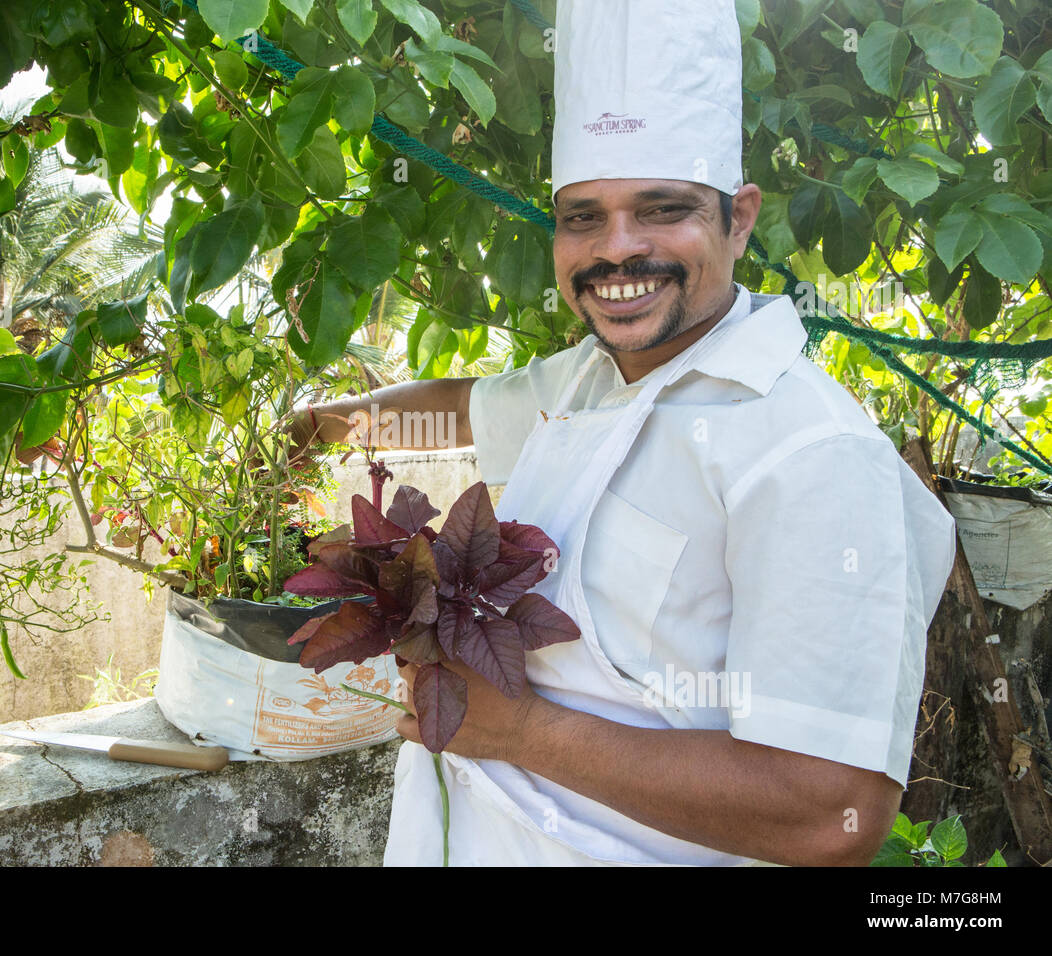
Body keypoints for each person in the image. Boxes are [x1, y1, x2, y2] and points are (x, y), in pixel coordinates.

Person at [287, 0, 957, 866]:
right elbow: (461, 402)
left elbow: (833, 815)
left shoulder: (810, 452)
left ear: (740, 218)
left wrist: (521, 731)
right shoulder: (590, 378)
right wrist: (327, 423)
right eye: (583, 217)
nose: (617, 249)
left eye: (661, 208)